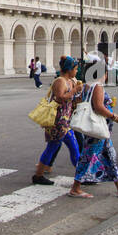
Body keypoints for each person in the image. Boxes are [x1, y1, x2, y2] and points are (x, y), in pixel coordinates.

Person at [69, 59, 118, 199]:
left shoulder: (87, 85)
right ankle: (75, 188)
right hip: (97, 130)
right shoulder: (97, 86)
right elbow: (99, 107)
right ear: (102, 73)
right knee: (87, 157)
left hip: (100, 130)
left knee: (110, 156)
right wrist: (113, 115)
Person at [32, 56, 81, 184]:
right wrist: (75, 91)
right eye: (75, 69)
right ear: (69, 69)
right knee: (72, 147)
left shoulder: (71, 81)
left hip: (65, 120)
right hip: (58, 121)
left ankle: (38, 175)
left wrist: (78, 95)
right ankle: (82, 177)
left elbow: (70, 99)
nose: (77, 71)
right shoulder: (60, 81)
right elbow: (60, 97)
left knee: (54, 147)